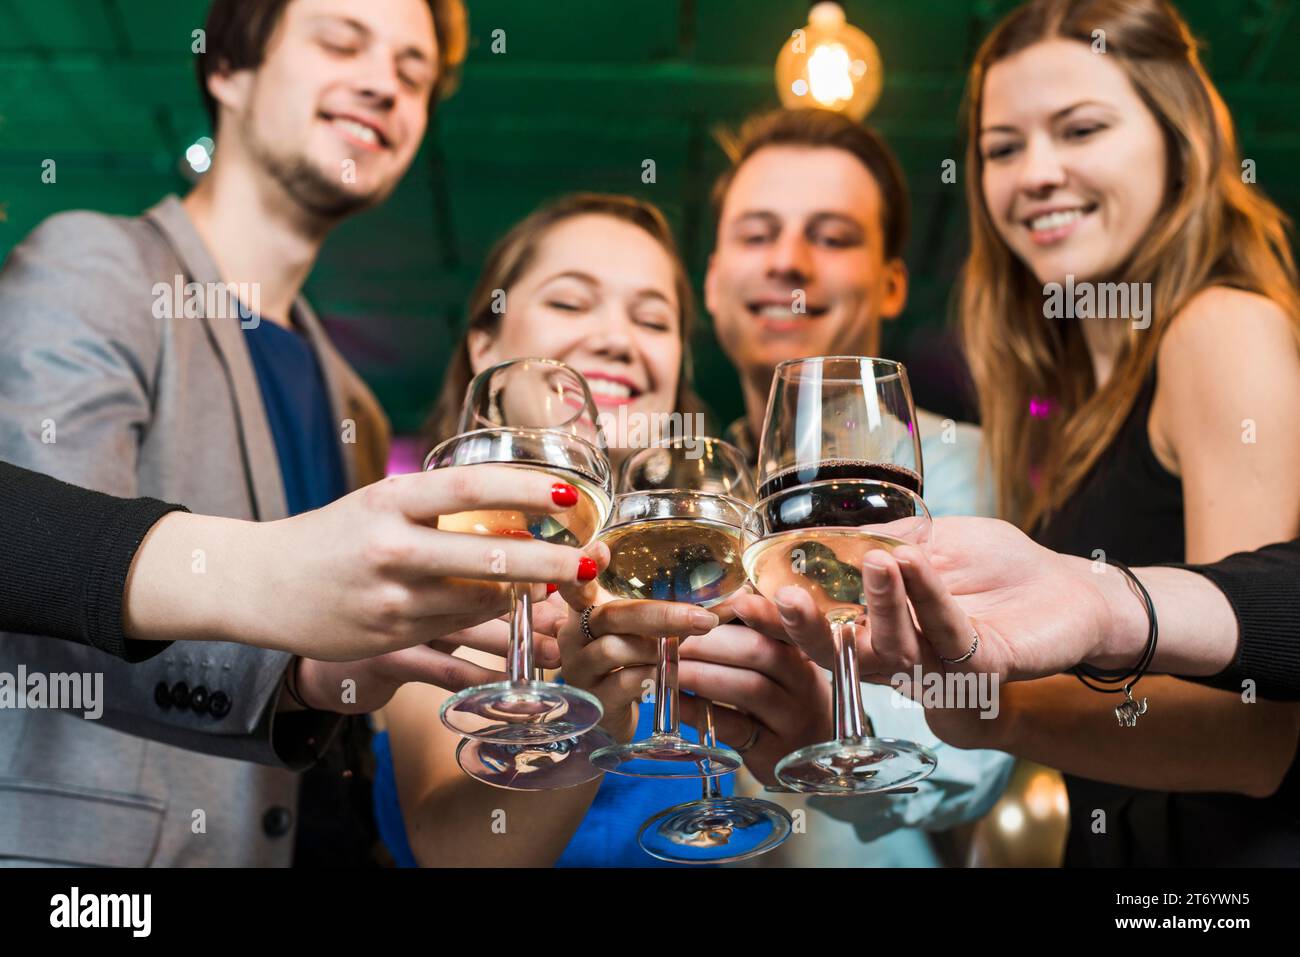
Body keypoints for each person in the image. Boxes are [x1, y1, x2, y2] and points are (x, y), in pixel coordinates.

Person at [0, 0, 468, 867]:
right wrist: (293, 673)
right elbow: (39, 595)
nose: (383, 84)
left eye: (414, 73)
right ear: (227, 69)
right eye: (341, 40)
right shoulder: (94, 264)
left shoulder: (355, 405)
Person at [904, 0, 1300, 866]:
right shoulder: (1069, 398)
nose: (1036, 173)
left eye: (1080, 130)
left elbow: (1255, 729)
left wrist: (993, 705)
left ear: (1178, 140)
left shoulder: (1218, 328)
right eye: (1003, 148)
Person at [697, 108, 1012, 866]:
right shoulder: (693, 493)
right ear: (712, 279)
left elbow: (976, 755)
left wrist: (824, 734)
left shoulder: (958, 464)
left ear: (893, 282)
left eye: (832, 237)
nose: (789, 262)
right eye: (756, 233)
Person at [0, 458, 592, 672]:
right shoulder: (96, 256)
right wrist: (259, 572)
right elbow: (42, 615)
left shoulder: (346, 389)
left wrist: (304, 684)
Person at [768, 516, 1300, 702]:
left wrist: (995, 719)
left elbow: (1250, 735)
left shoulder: (1219, 324)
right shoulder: (1053, 392)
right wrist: (1099, 603)